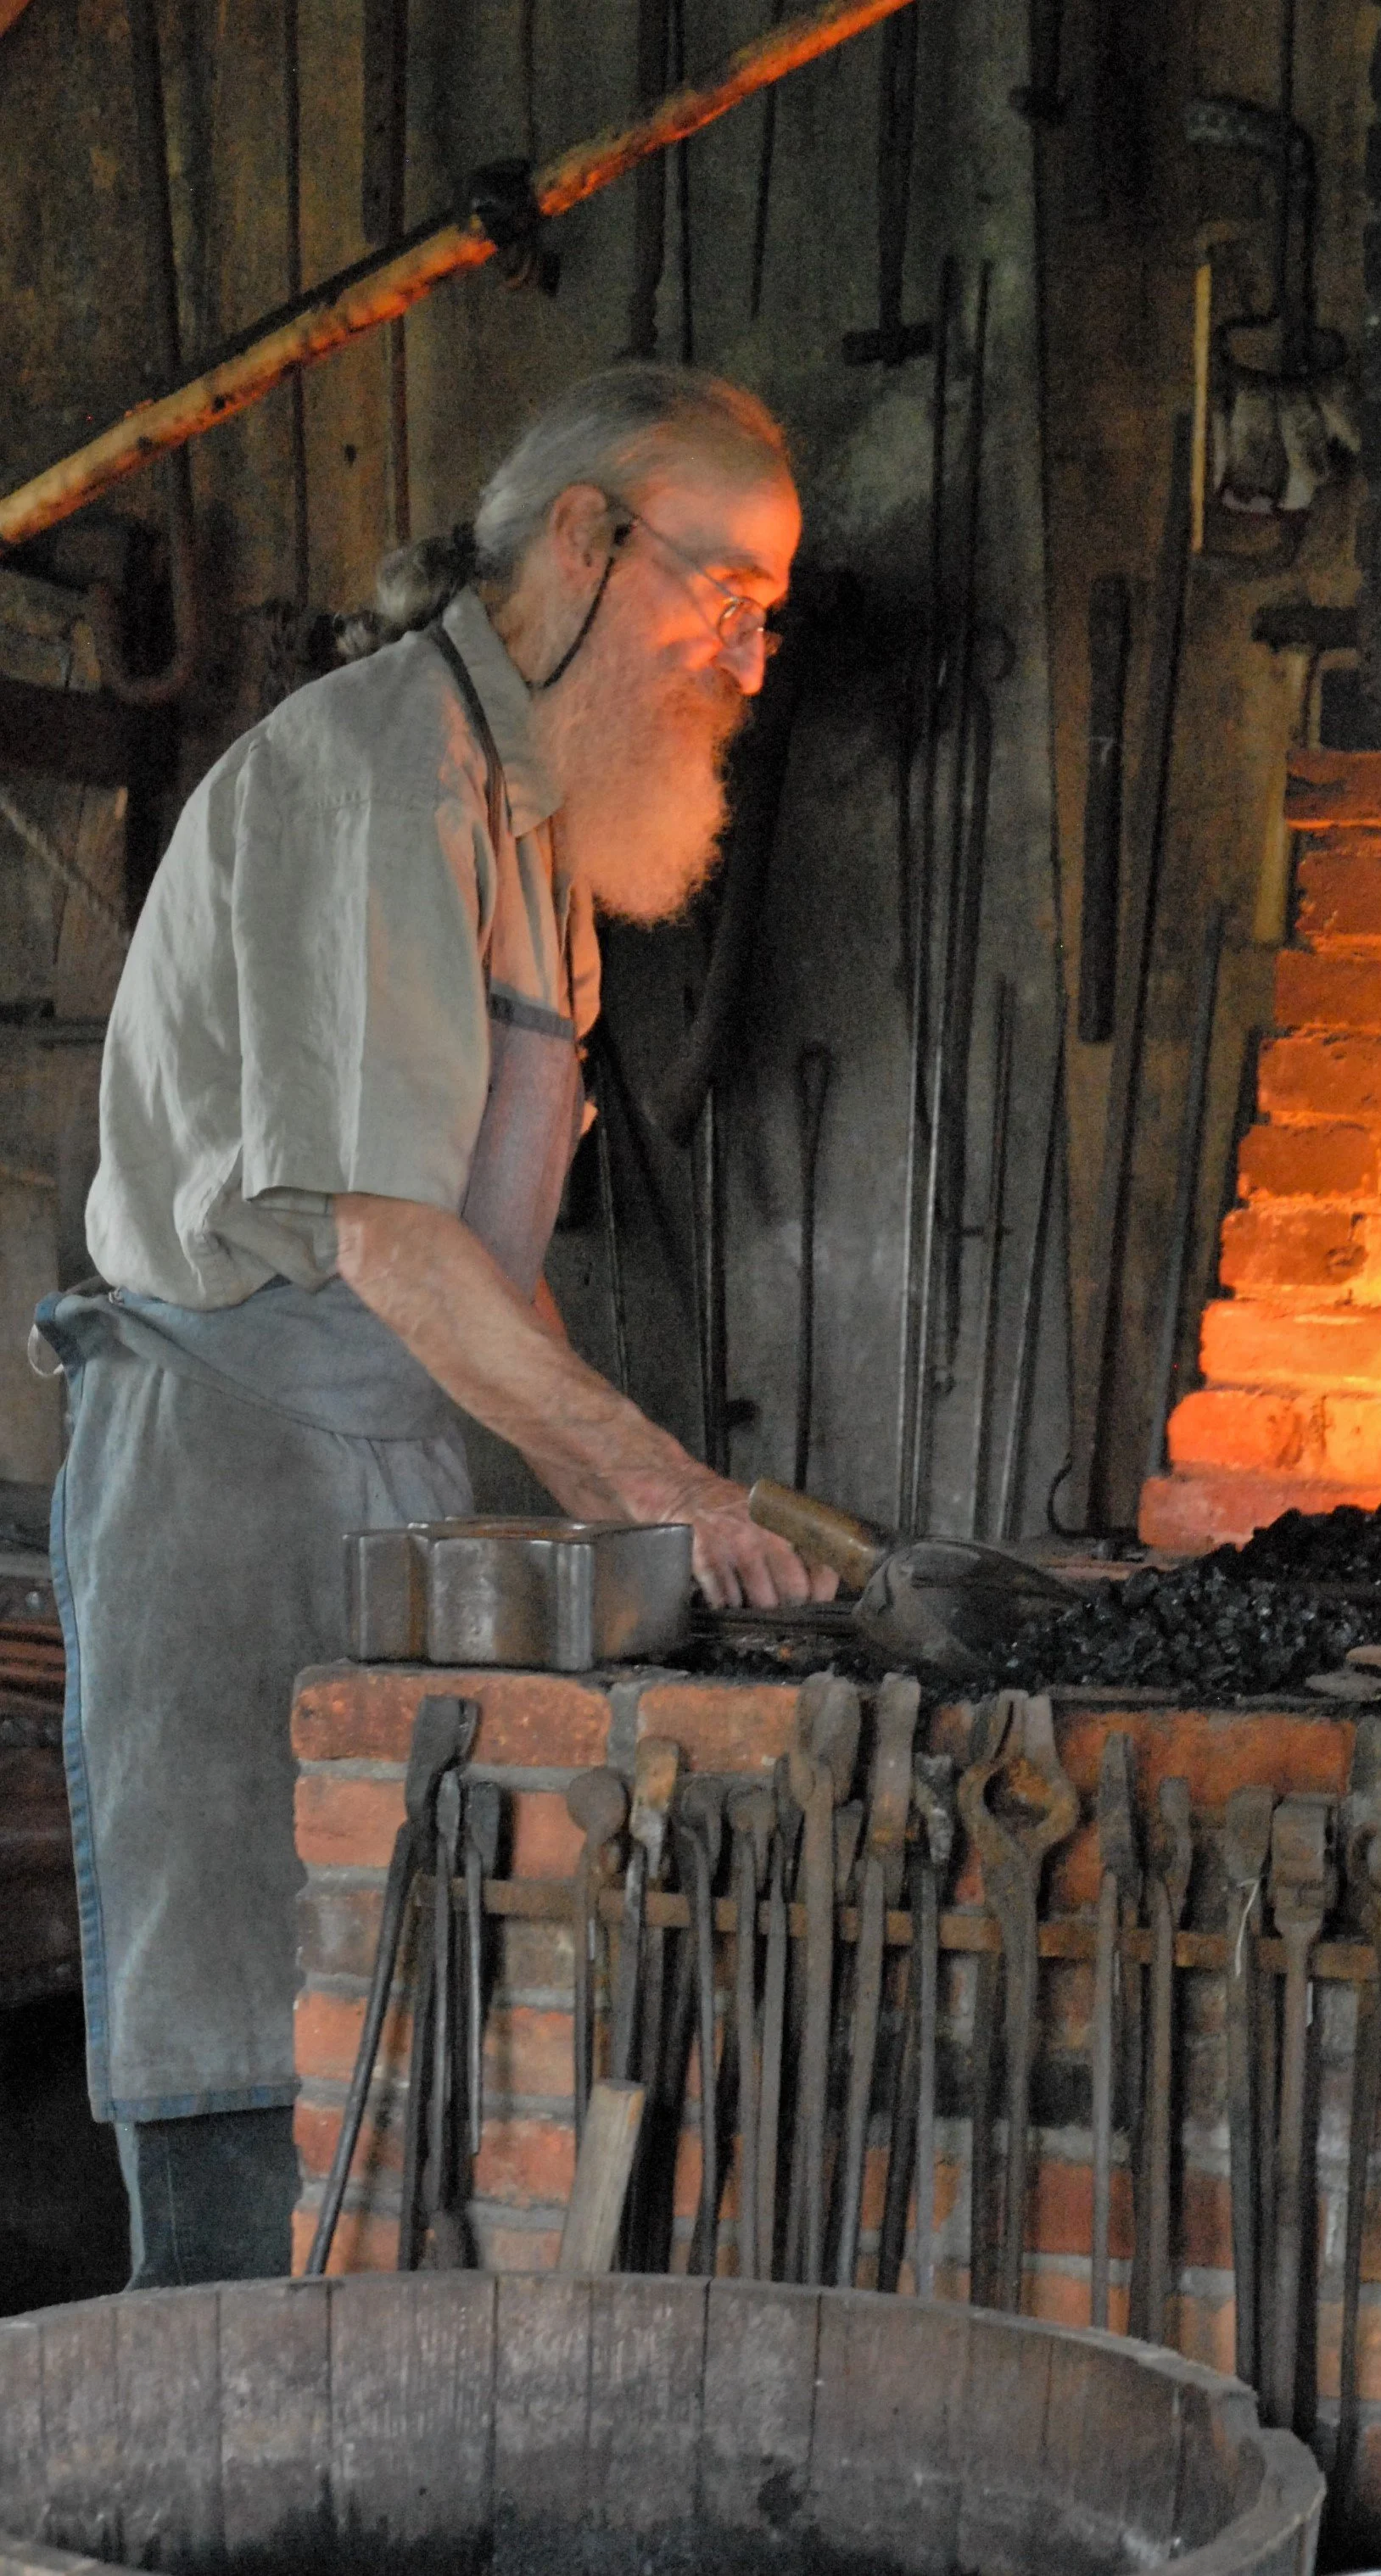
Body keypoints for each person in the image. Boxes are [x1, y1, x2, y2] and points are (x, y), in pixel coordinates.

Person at [32, 362, 833, 2288]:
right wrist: (652, 1484)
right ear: (581, 542)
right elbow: (390, 1242)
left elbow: (481, 1272)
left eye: (765, 617)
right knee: (255, 2068)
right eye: (717, 595)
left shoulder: (521, 829)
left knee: (379, 2068)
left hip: (377, 1476)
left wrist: (649, 1518)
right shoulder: (379, 774)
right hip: (233, 1486)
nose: (740, 660)